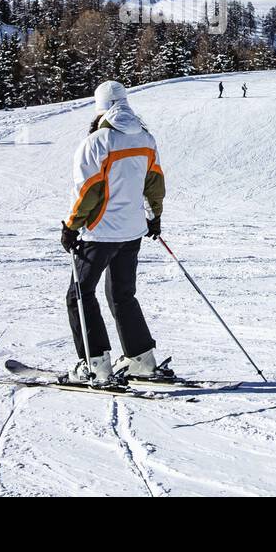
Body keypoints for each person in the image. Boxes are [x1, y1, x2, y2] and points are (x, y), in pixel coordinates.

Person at [60, 81, 165, 383]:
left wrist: (71, 226)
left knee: (79, 294)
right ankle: (141, 359)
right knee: (121, 294)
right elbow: (154, 182)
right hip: (132, 231)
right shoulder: (146, 138)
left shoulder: (97, 141)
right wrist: (154, 217)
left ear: (99, 109)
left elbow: (87, 190)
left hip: (100, 233)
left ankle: (95, 364)